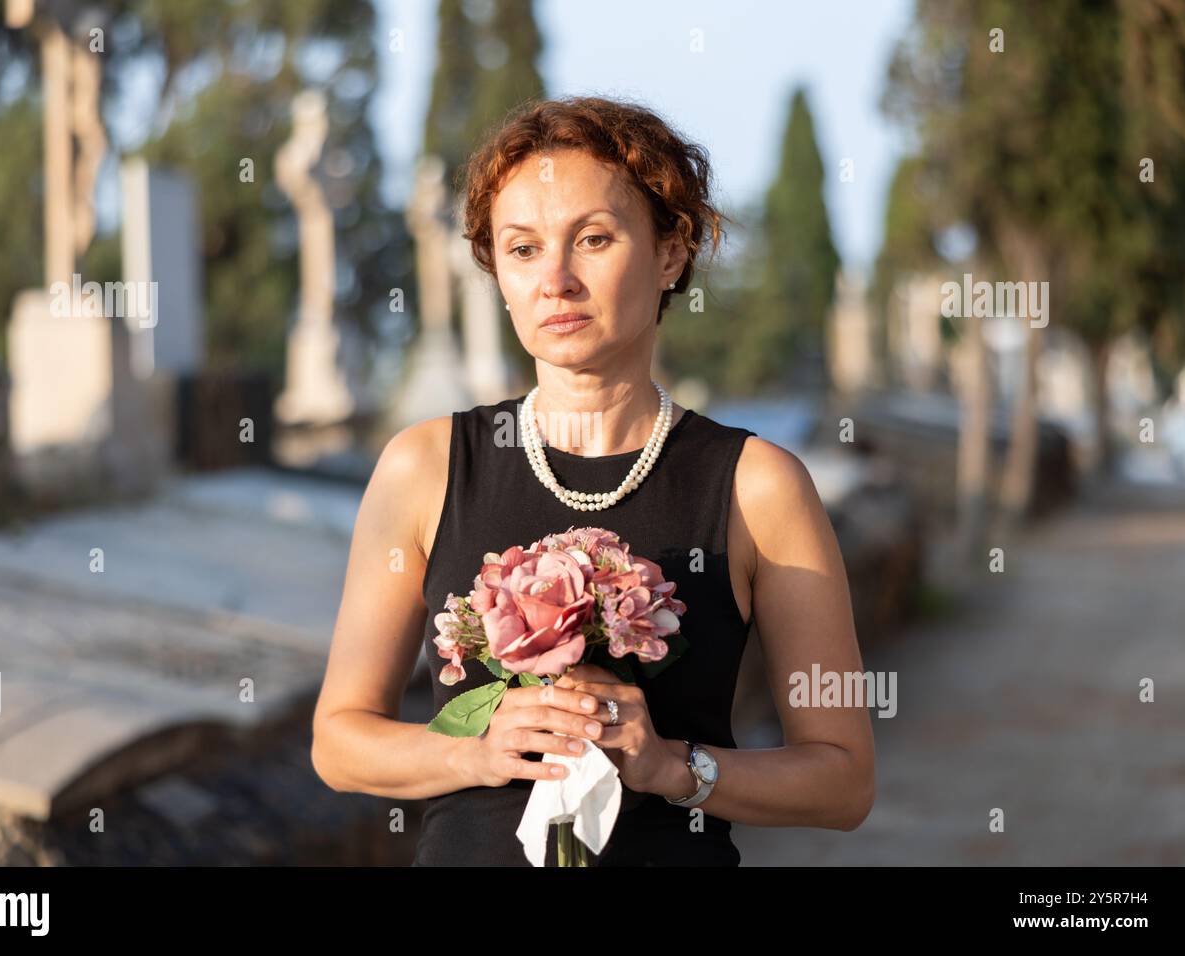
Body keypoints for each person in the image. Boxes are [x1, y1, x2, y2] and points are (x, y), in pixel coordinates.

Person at [311, 95, 874, 866]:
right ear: (496, 272)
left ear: (670, 254)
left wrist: (674, 767)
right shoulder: (424, 468)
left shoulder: (758, 487)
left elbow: (842, 781)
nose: (557, 280)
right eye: (523, 249)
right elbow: (340, 742)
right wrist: (477, 751)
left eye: (595, 240)